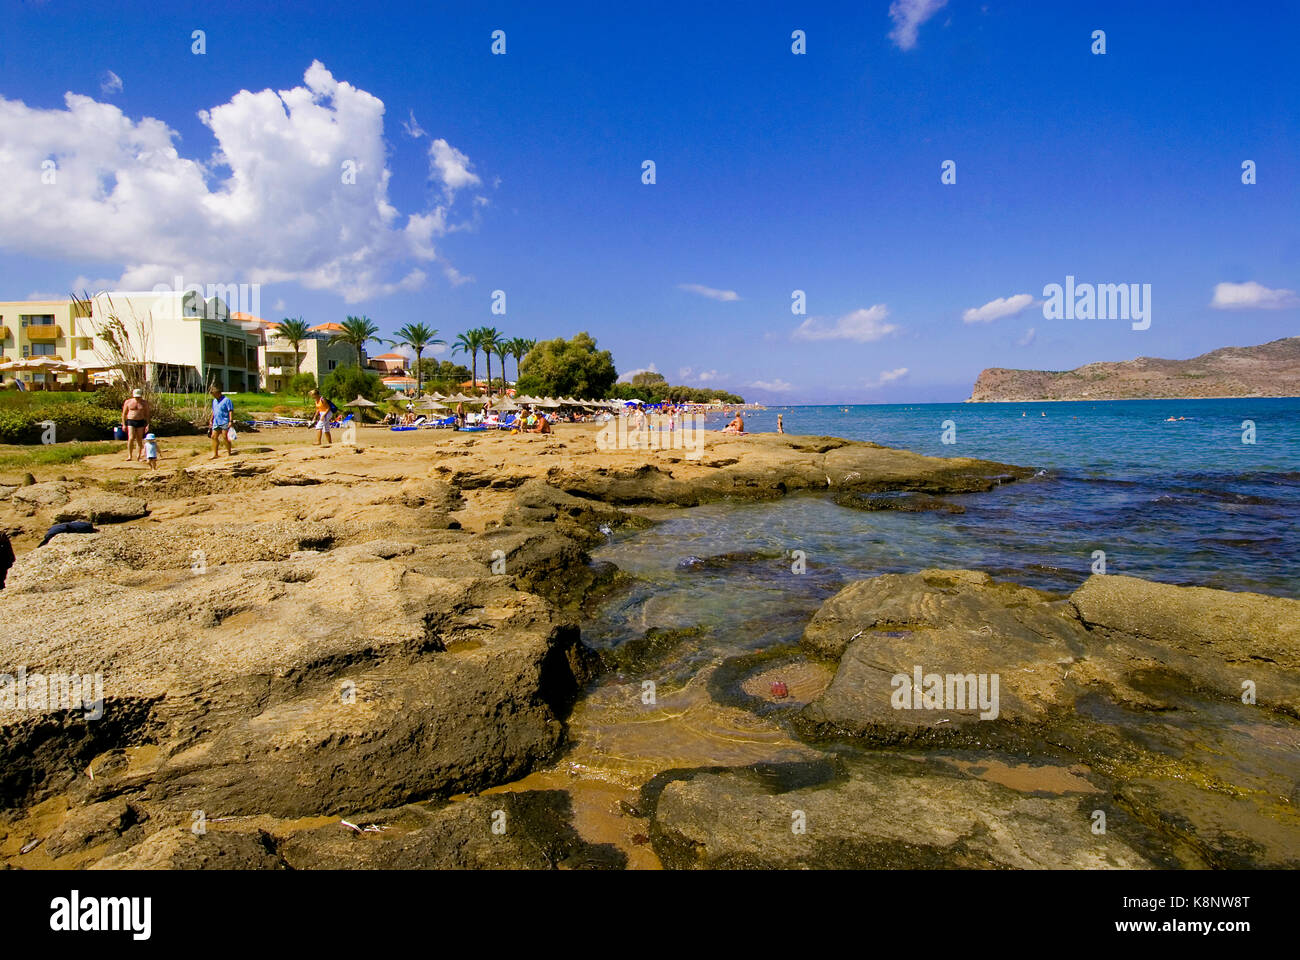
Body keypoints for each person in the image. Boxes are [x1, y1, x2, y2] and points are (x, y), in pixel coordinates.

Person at [121, 388, 150, 462]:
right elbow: (124, 414)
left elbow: (147, 414)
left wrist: (147, 424)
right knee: (131, 438)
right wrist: (124, 424)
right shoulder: (128, 402)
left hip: (140, 421)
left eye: (138, 397)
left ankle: (138, 456)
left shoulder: (144, 403)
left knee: (139, 439)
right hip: (131, 421)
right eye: (136, 397)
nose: (137, 398)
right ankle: (129, 455)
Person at [209, 384, 235, 459]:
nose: (213, 396)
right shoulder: (214, 401)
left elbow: (230, 411)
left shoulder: (227, 400)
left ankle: (229, 452)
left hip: (225, 421)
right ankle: (215, 454)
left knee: (225, 437)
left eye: (214, 394)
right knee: (213, 437)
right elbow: (214, 411)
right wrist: (211, 419)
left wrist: (230, 421)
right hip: (216, 422)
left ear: (218, 393)